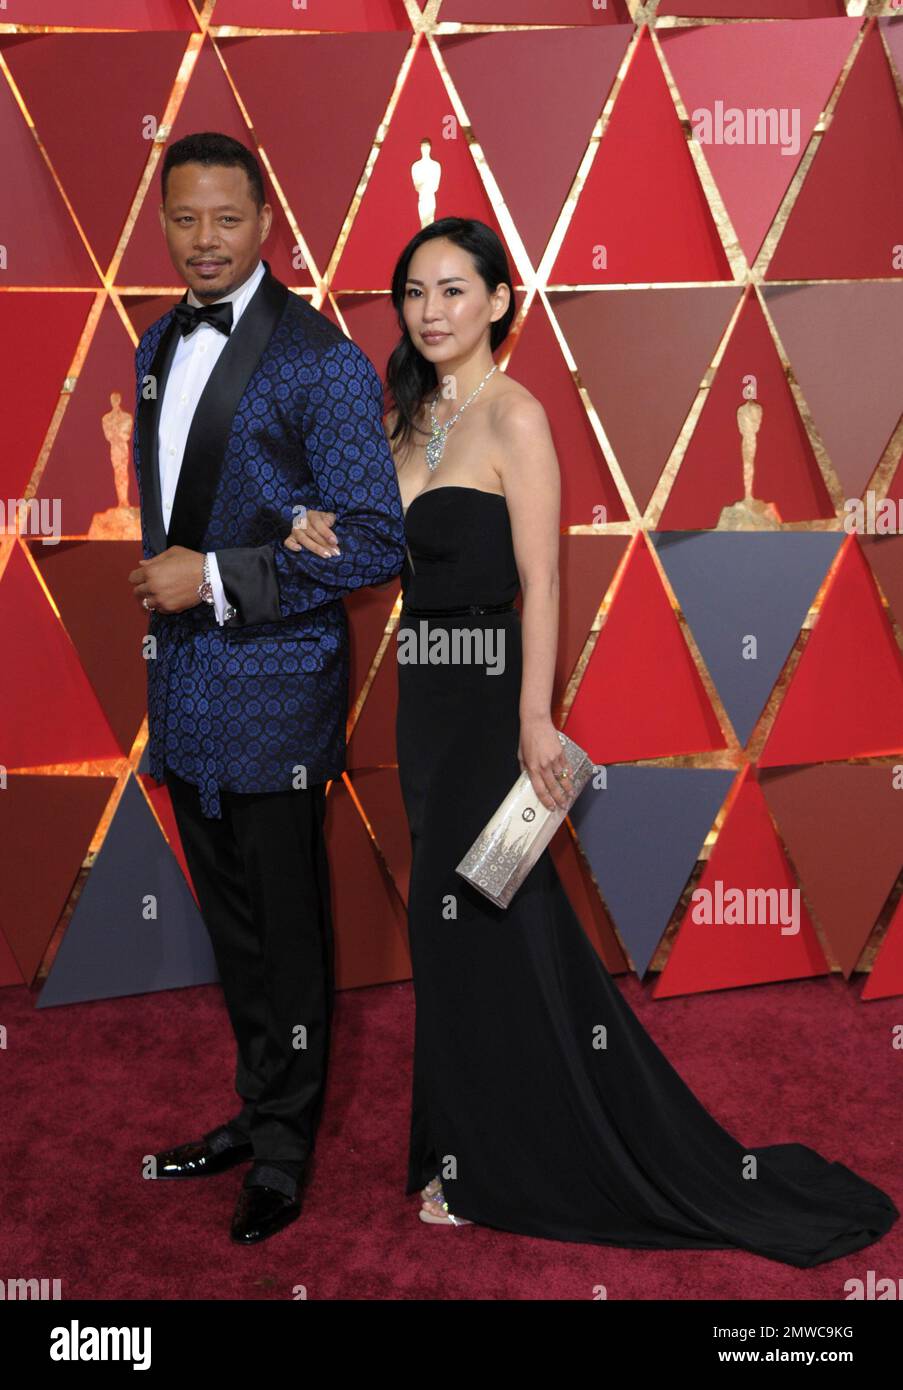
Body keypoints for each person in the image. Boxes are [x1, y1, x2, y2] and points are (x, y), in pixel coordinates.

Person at [284, 215, 899, 1266]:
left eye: (453, 290)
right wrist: (314, 532)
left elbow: (545, 582)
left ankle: (492, 1159)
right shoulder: (406, 423)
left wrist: (534, 717)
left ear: (497, 302)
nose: (431, 311)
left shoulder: (516, 419)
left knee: (483, 918)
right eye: (414, 294)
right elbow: (385, 567)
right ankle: (465, 1147)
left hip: (489, 706)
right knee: (462, 932)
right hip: (422, 703)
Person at [129, 132, 406, 1244]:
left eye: (227, 220)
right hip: (184, 688)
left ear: (266, 223)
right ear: (164, 220)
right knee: (233, 931)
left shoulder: (323, 361)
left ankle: (285, 1150)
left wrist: (216, 578)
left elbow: (377, 541)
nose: (205, 241)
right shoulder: (152, 344)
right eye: (185, 219)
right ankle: (257, 1108)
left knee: (288, 934)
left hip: (279, 692)